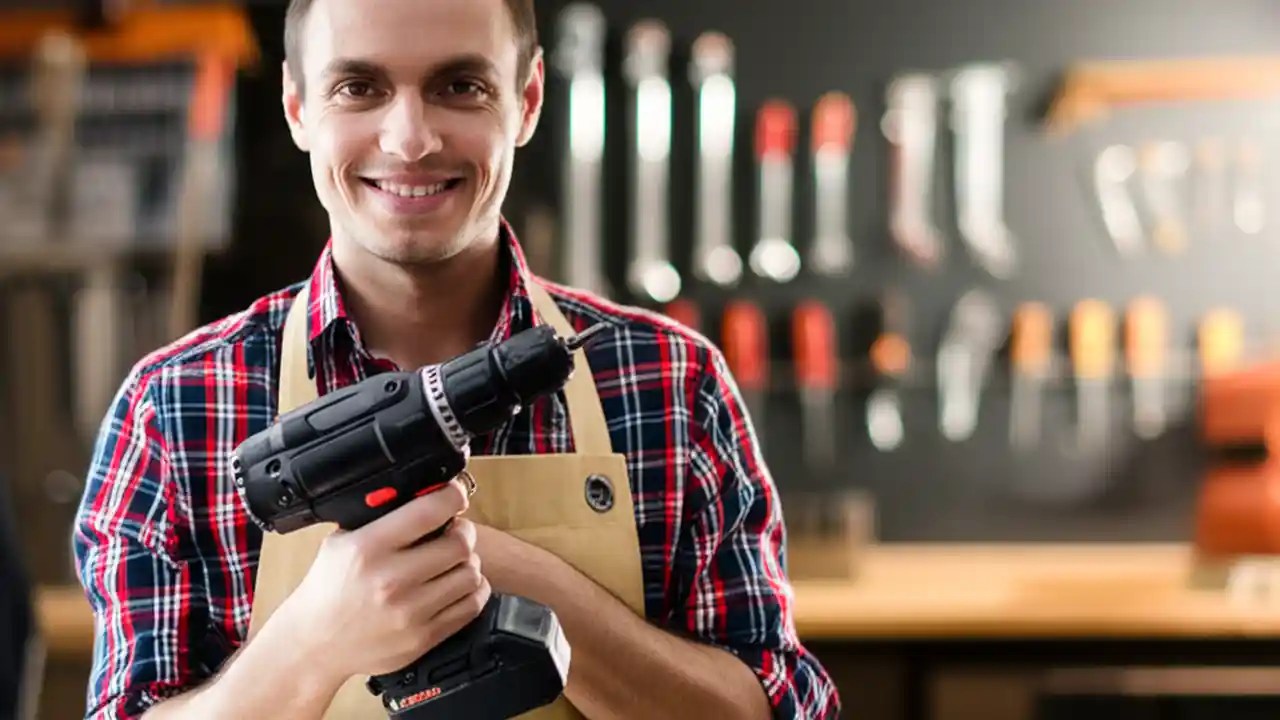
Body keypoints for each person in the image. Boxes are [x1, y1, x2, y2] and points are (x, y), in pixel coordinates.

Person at [72, 0, 840, 718]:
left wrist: (520, 580)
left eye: (461, 85)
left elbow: (780, 706)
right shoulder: (174, 407)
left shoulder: (670, 382)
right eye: (359, 87)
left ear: (528, 101)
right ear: (298, 106)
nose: (410, 140)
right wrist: (312, 642)